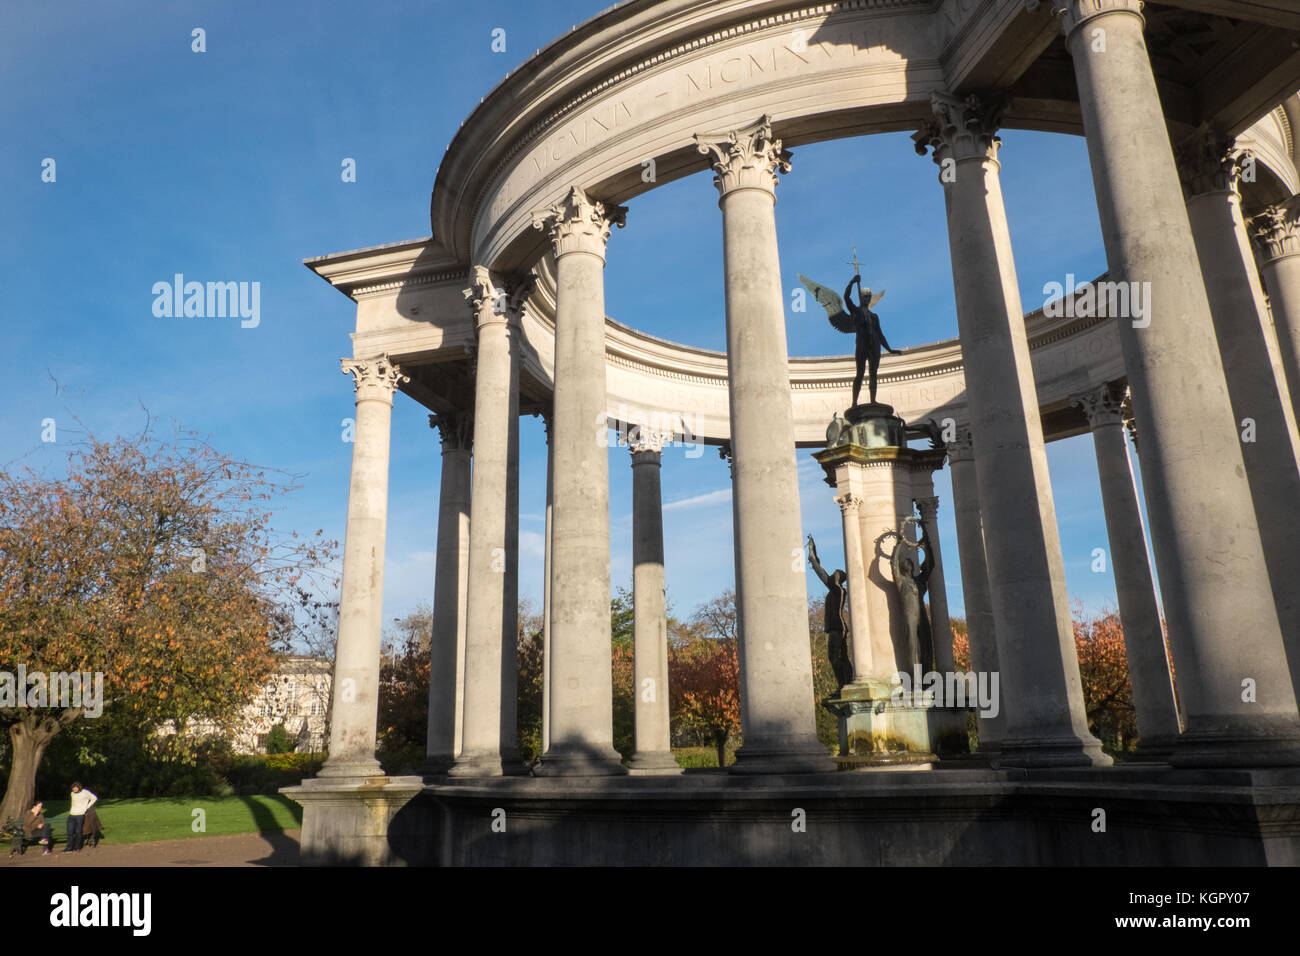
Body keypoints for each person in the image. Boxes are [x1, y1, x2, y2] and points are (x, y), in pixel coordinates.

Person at [807, 535, 854, 690]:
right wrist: (814, 552)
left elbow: (823, 575)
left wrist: (813, 559)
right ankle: (845, 683)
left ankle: (844, 684)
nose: (832, 575)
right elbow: (824, 574)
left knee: (835, 656)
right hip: (836, 627)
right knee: (839, 657)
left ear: (838, 578)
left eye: (835, 574)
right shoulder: (836, 590)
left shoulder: (838, 590)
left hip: (837, 627)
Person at [65, 781, 97, 853]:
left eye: (75, 788)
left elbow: (94, 798)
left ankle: (77, 847)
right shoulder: (72, 794)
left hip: (80, 814)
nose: (74, 790)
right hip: (72, 814)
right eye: (73, 788)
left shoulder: (85, 792)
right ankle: (69, 848)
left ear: (79, 787)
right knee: (69, 831)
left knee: (78, 831)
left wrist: (87, 807)